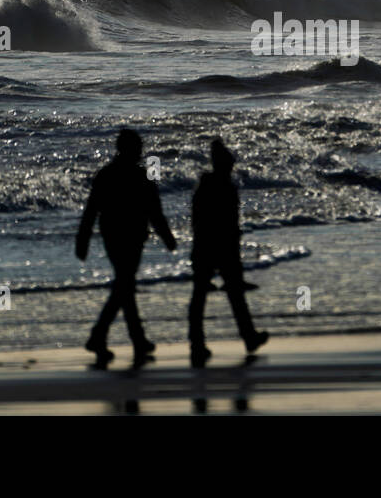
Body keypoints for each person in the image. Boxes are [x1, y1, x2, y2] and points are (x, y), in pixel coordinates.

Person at [76, 128, 177, 368]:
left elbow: (91, 211)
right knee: (125, 285)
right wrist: (167, 237)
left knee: (125, 285)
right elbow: (155, 211)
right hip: (129, 237)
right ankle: (102, 337)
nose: (141, 152)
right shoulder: (140, 176)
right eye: (138, 147)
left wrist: (83, 240)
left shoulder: (107, 174)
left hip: (114, 236)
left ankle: (127, 339)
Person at [188, 138, 269, 367]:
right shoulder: (224, 187)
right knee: (232, 294)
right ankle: (247, 337)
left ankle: (198, 344)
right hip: (222, 247)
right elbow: (228, 224)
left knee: (202, 296)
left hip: (205, 245)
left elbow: (197, 220)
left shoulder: (205, 186)